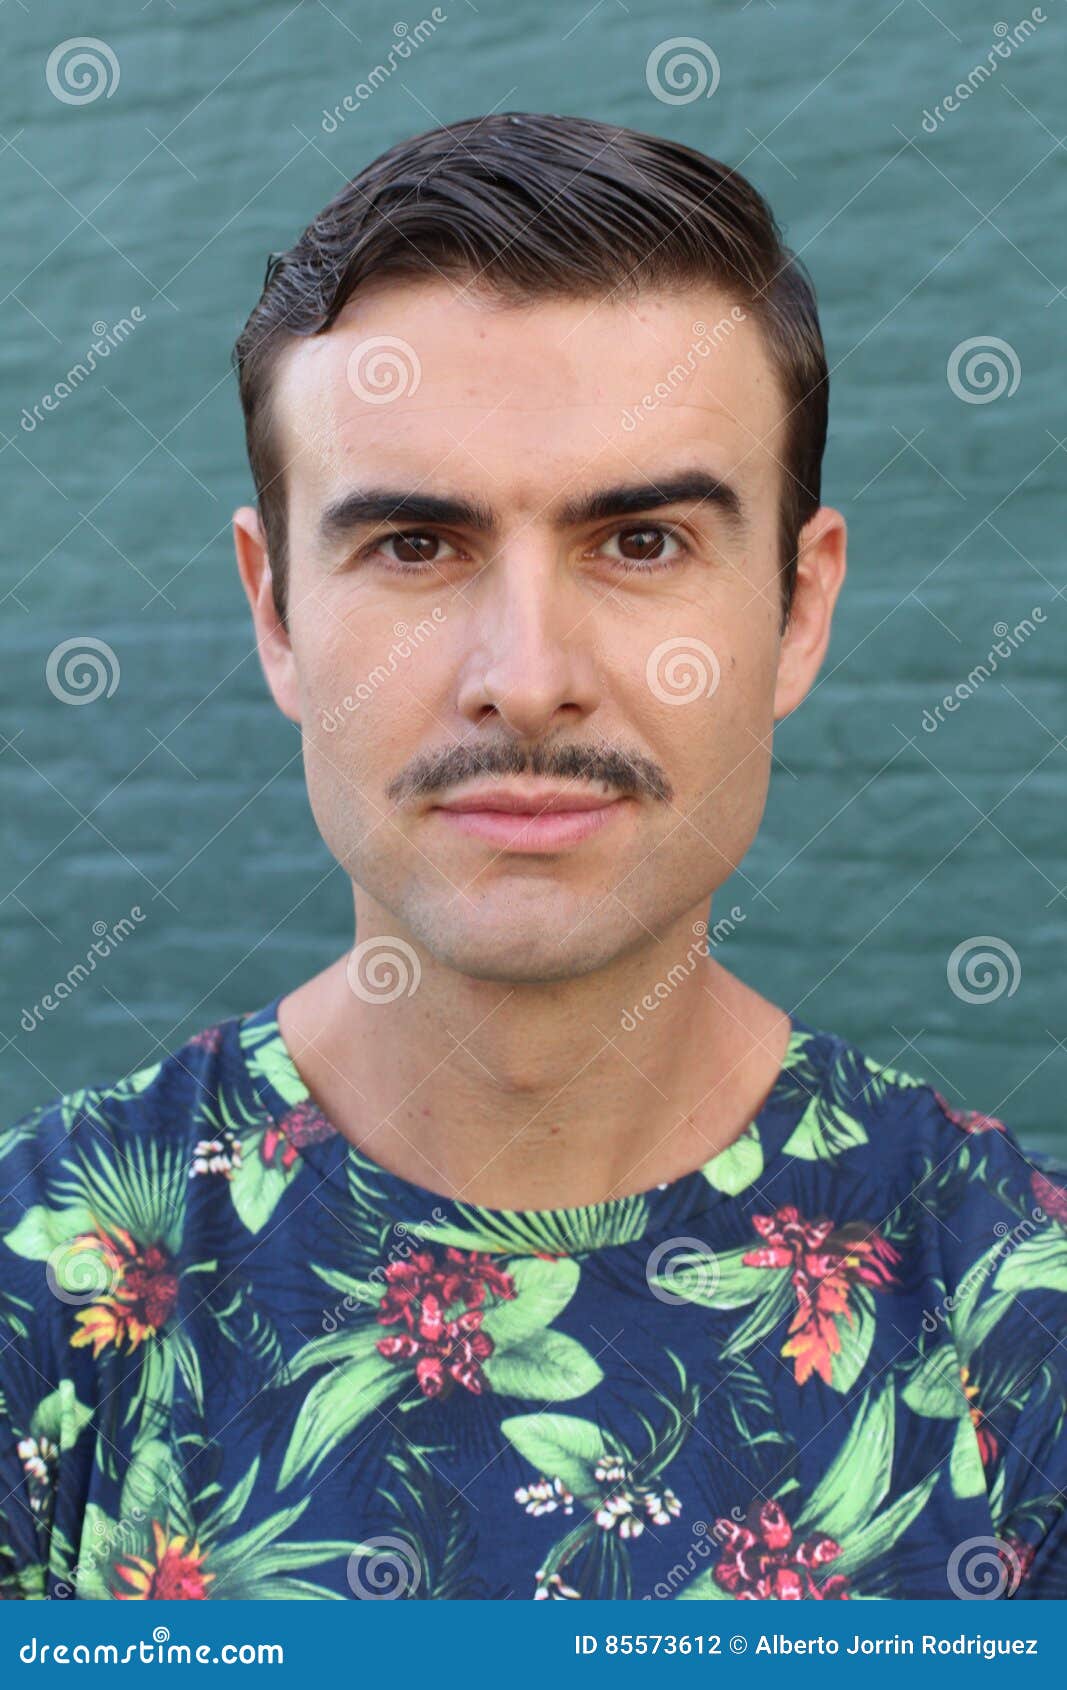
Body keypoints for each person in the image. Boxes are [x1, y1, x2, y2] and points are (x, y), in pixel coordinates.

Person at [2, 112, 1064, 1603]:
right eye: (417, 546)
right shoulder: (42, 1290)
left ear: (798, 606)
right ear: (277, 611)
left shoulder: (1023, 1321)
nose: (528, 673)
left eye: (639, 541)